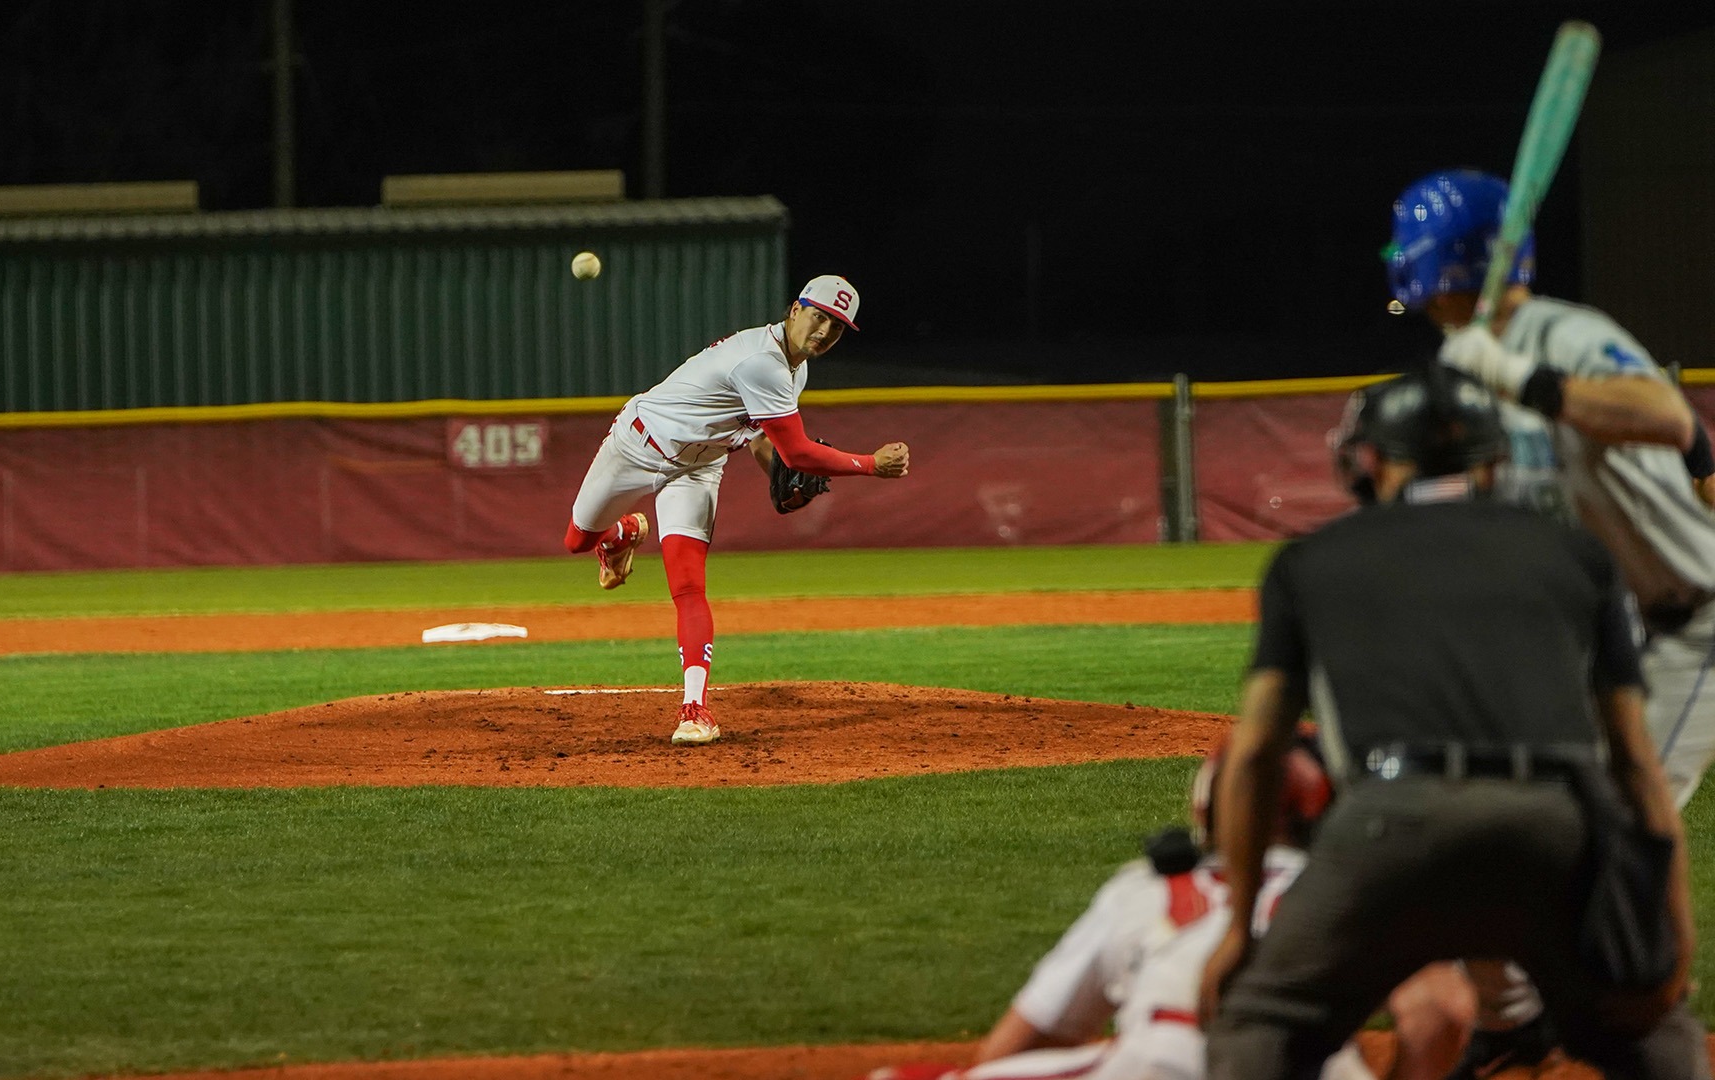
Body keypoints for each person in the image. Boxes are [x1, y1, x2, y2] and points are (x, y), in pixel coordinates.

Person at [1198, 369, 1705, 1080]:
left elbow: (1255, 755)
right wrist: (1669, 930)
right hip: (1555, 825)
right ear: (1495, 462)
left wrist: (1239, 926)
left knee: (1259, 1026)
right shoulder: (1577, 554)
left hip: (1388, 823)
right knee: (1651, 1034)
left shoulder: (1309, 560)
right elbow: (1634, 762)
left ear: (1369, 459)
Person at [1384, 168, 1715, 1076]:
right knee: (1473, 811)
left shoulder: (1561, 333)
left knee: (1611, 822)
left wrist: (1533, 382)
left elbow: (1661, 411)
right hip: (1587, 634)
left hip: (1690, 627)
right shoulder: (1458, 366)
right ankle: (1509, 1018)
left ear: (1447, 257)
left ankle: (1653, 1019)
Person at [861, 731, 1380, 1080]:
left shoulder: (1147, 887)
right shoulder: (1360, 893)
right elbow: (1439, 1013)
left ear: (1208, 806)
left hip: (1161, 1060)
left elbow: (1013, 1046)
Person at [562, 275, 911, 745]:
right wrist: (871, 465)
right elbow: (802, 454)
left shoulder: (796, 367)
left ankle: (695, 709)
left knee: (688, 586)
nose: (826, 331)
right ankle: (620, 534)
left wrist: (779, 474)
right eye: (820, 316)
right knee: (576, 541)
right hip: (637, 446)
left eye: (838, 326)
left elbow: (764, 440)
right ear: (795, 310)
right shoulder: (761, 361)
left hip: (699, 467)